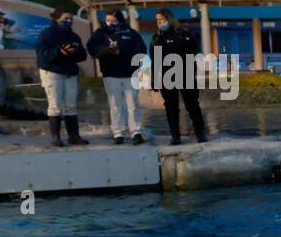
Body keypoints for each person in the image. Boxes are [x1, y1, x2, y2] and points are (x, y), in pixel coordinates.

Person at [87, 9, 148, 144]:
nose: (111, 23)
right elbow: (91, 48)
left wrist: (122, 50)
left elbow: (141, 51)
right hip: (111, 74)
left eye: (114, 21)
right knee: (115, 105)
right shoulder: (100, 33)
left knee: (132, 105)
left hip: (130, 74)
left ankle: (136, 132)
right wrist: (107, 48)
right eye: (108, 20)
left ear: (120, 20)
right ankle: (118, 132)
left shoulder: (131, 33)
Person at [149, 9, 207, 145]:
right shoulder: (157, 38)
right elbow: (155, 60)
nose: (159, 23)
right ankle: (175, 136)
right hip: (166, 76)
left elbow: (193, 49)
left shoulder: (183, 34)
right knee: (171, 107)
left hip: (184, 73)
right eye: (157, 20)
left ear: (169, 19)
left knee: (192, 105)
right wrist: (155, 80)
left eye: (161, 20)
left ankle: (200, 133)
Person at [34, 8, 89, 146]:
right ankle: (56, 137)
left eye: (71, 19)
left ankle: (74, 136)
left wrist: (75, 51)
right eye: (65, 18)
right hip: (52, 72)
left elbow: (82, 56)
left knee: (71, 106)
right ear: (56, 19)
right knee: (55, 106)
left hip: (70, 73)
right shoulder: (46, 34)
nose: (69, 21)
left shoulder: (74, 36)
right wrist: (60, 52)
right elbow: (42, 53)